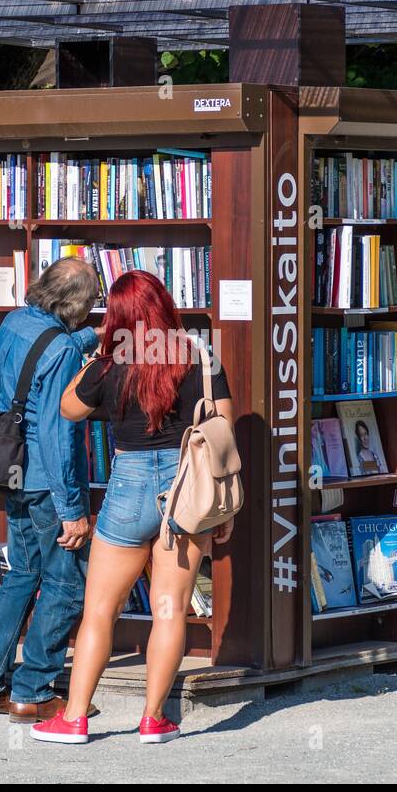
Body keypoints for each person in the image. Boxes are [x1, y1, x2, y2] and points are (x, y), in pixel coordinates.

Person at [31, 270, 236, 745]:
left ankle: (75, 719)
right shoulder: (199, 357)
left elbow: (67, 408)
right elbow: (224, 425)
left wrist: (100, 351)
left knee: (99, 610)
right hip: (186, 490)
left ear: (117, 317)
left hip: (128, 487)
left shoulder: (109, 365)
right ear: (164, 305)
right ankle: (153, 719)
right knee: (170, 610)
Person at [0, 257, 104, 723]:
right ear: (77, 305)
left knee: (22, 574)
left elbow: (41, 356)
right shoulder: (62, 351)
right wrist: (73, 510)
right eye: (92, 305)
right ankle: (33, 689)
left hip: (13, 469)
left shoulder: (13, 322)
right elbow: (60, 435)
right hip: (47, 481)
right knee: (65, 582)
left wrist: (88, 339)